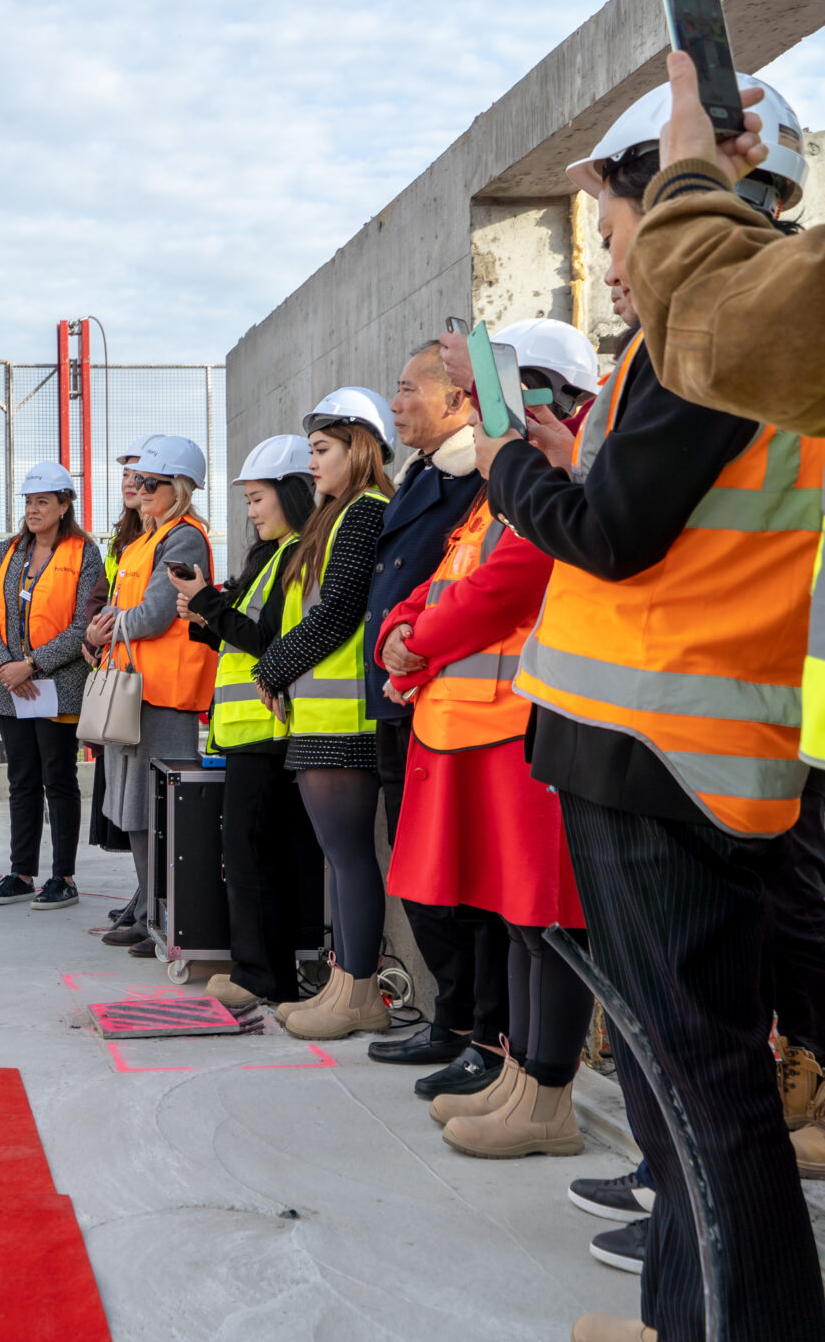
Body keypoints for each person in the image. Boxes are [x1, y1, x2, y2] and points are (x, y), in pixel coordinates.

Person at [469, 77, 825, 1342]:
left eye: (612, 233)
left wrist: (513, 467)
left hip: (654, 748)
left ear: (662, 191)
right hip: (703, 736)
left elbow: (612, 538)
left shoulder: (703, 322)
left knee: (701, 1084)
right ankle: (684, 1315)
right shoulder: (787, 314)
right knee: (693, 1077)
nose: (613, 268)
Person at [626, 51, 825, 1184]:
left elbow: (743, 341)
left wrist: (687, 194)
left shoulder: (732, 324)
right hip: (761, 693)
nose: (614, 259)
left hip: (749, 694)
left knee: (782, 910)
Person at [378, 319, 599, 1158]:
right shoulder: (505, 480)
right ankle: (520, 1077)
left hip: (524, 726)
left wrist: (419, 637)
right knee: (517, 916)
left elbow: (513, 577)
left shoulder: (559, 467)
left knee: (545, 917)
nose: (481, 408)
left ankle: (547, 1092)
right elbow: (445, 573)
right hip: (484, 727)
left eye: (487, 391)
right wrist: (398, 632)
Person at [362, 339, 508, 1094]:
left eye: (408, 387)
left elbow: (481, 589)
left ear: (458, 400)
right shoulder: (436, 479)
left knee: (468, 887)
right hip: (419, 699)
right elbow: (422, 583)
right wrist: (397, 636)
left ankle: (483, 1031)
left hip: (467, 713)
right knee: (427, 877)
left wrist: (413, 641)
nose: (397, 403)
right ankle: (459, 1019)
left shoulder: (483, 482)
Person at [253, 390, 394, 1041]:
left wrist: (273, 666)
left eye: (322, 449)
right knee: (341, 859)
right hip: (322, 718)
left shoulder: (365, 511)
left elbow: (337, 611)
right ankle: (345, 983)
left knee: (349, 858)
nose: (313, 463)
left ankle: (357, 990)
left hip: (345, 723)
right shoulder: (339, 515)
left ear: (359, 448)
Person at [172, 434, 324, 1008]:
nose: (253, 510)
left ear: (292, 494)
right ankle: (261, 971)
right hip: (247, 732)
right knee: (253, 855)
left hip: (268, 733)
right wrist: (204, 610)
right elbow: (245, 636)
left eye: (259, 498)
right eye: (248, 501)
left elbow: (268, 642)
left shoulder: (295, 557)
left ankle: (262, 976)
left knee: (253, 856)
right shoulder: (270, 559)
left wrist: (209, 602)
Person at [90, 435, 218, 958]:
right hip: (135, 691)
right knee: (134, 809)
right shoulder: (147, 540)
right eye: (139, 481)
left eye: (151, 483)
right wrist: (106, 630)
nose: (139, 489)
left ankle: (163, 916)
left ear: (178, 488)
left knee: (154, 810)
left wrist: (109, 626)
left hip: (163, 696)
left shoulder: (182, 540)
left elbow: (156, 613)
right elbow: (128, 612)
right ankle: (149, 912)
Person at [0, 461, 105, 910]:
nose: (33, 510)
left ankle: (62, 877)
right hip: (11, 687)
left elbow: (82, 625)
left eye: (42, 502)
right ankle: (21, 872)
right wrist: (6, 666)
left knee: (59, 779)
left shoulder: (84, 553)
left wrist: (31, 664)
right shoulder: (7, 551)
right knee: (22, 780)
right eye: (29, 502)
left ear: (64, 504)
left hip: (57, 686)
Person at [91, 438, 160, 920]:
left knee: (140, 807)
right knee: (124, 804)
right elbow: (102, 600)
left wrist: (107, 628)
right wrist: (92, 636)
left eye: (142, 476)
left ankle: (147, 900)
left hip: (141, 680)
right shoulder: (124, 541)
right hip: (116, 673)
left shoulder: (164, 538)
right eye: (126, 476)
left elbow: (146, 613)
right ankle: (142, 896)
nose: (132, 483)